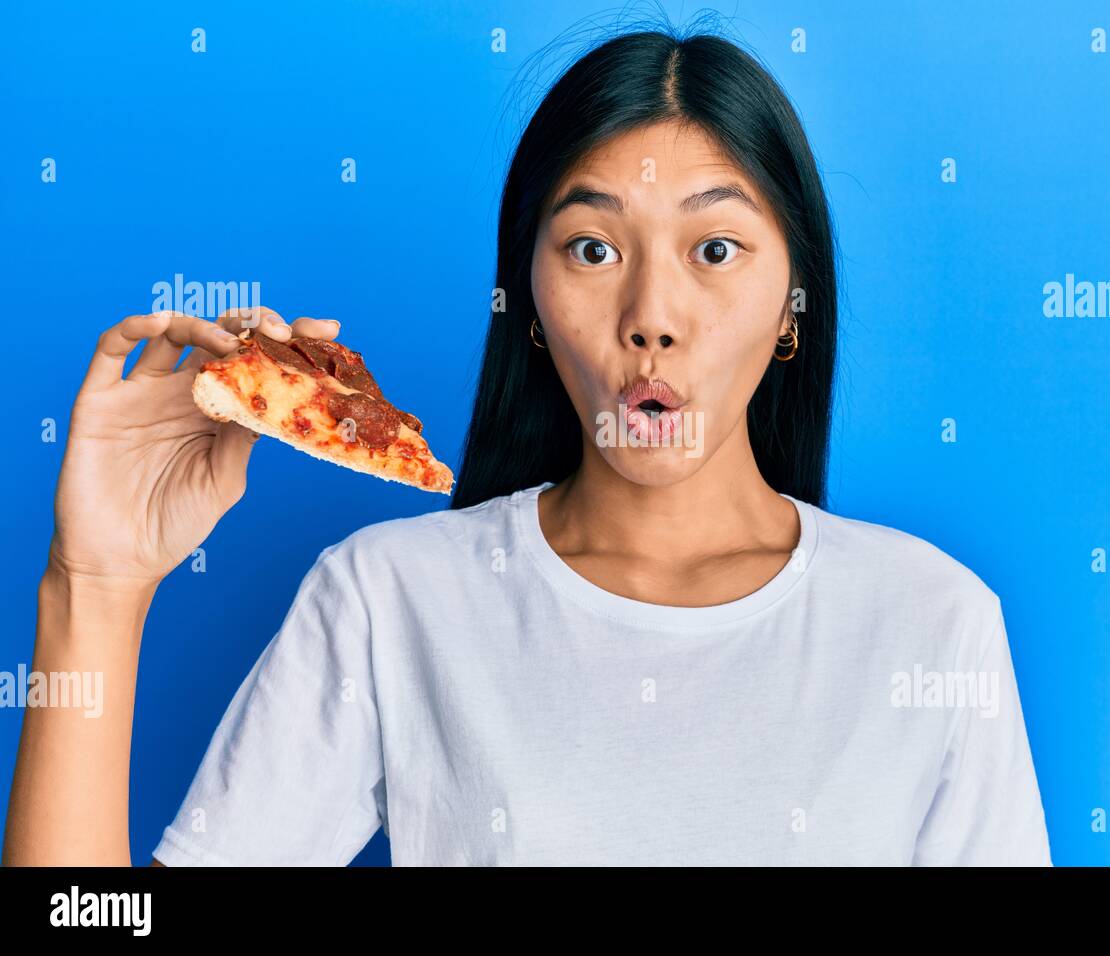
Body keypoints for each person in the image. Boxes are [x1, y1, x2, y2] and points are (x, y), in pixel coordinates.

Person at [3, 29, 1051, 866]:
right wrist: (92, 585)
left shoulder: (931, 622)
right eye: (593, 247)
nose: (652, 315)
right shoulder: (392, 599)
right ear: (531, 302)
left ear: (792, 306)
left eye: (715, 248)